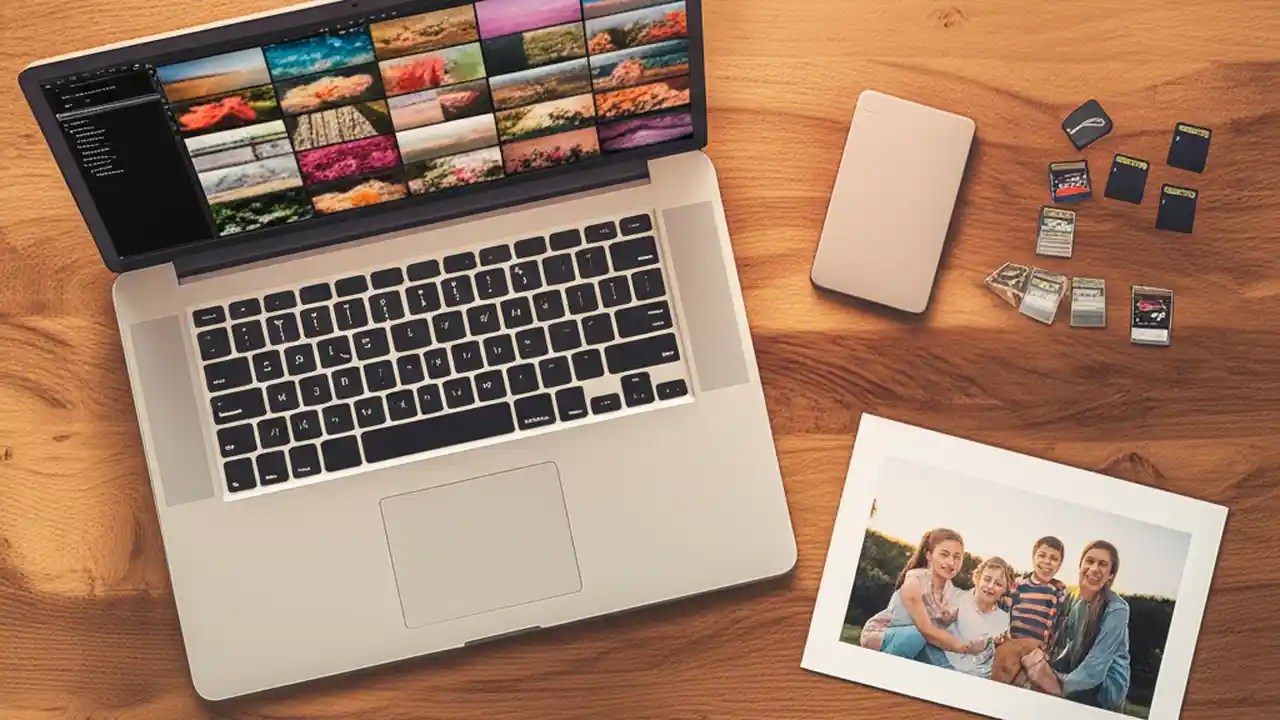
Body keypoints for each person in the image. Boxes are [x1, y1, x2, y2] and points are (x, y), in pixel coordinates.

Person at [1021, 540, 1132, 711]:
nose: (1094, 568)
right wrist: (1044, 667)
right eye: (1090, 561)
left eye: (1102, 564)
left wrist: (1054, 682)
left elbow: (1095, 668)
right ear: (1080, 566)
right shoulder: (1075, 602)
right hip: (1075, 681)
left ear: (1111, 574)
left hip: (1104, 692)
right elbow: (1068, 650)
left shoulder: (1117, 609)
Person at [858, 528, 986, 660]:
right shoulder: (915, 582)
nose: (951, 562)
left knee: (943, 659)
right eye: (944, 554)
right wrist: (964, 648)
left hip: (919, 641)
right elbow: (926, 630)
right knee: (922, 636)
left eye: (957, 557)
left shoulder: (950, 591)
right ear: (929, 555)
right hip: (883, 634)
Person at [918, 556, 1015, 677]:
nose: (990, 586)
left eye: (998, 584)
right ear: (977, 579)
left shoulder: (1004, 620)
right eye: (987, 579)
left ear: (1005, 590)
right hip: (941, 661)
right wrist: (944, 619)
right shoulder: (957, 598)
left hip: (976, 673)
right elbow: (931, 627)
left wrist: (997, 645)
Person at [1005, 536, 1068, 644]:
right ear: (1033, 558)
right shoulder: (1017, 586)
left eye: (1054, 558)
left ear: (1059, 565)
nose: (1047, 561)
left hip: (1037, 653)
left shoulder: (1059, 592)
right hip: (1011, 648)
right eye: (1041, 555)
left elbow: (1059, 629)